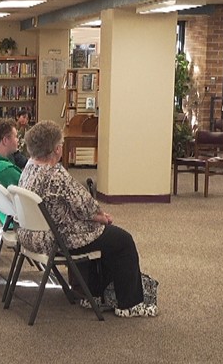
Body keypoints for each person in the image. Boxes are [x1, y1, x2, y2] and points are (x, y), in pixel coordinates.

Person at [18, 121, 157, 318]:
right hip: (57, 239)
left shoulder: (29, 168)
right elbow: (85, 206)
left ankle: (92, 294)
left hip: (32, 234)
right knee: (122, 240)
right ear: (57, 149)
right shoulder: (55, 174)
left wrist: (96, 218)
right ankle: (129, 303)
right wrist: (102, 217)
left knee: (102, 235)